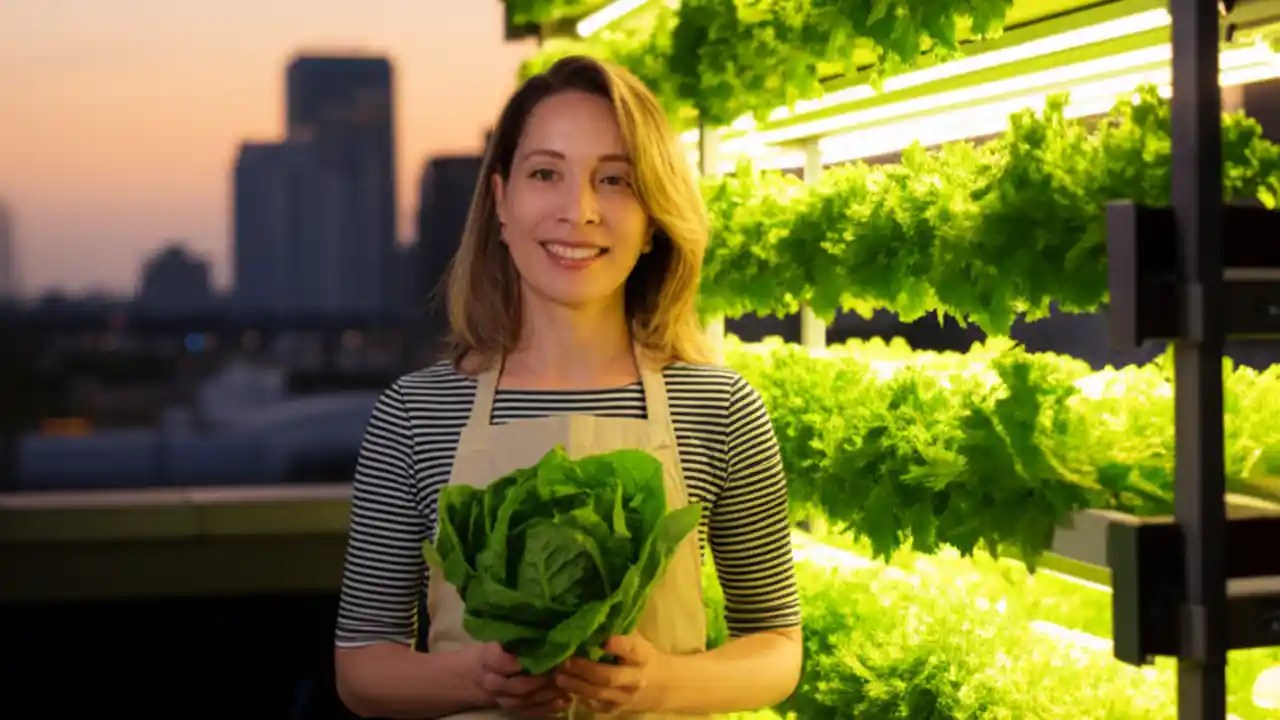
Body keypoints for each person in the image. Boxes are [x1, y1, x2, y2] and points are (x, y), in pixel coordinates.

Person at [332, 54, 803, 719]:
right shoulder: (415, 413)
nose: (578, 210)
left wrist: (662, 685)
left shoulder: (720, 409)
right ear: (500, 201)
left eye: (614, 180)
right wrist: (477, 680)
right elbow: (361, 666)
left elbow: (778, 646)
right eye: (545, 173)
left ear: (652, 221)